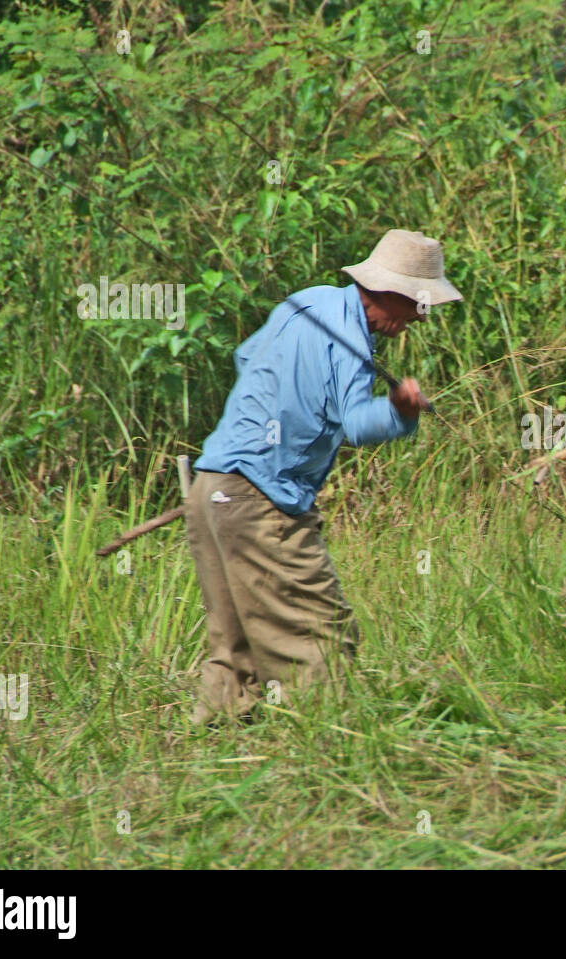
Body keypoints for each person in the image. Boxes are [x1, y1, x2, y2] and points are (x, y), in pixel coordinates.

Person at [186, 229, 460, 724]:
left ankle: (215, 747)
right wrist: (401, 411)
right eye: (420, 304)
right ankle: (326, 752)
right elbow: (354, 424)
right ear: (394, 293)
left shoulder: (306, 302)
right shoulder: (351, 341)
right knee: (318, 634)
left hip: (211, 486)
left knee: (235, 646)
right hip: (259, 500)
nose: (420, 318)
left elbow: (245, 358)